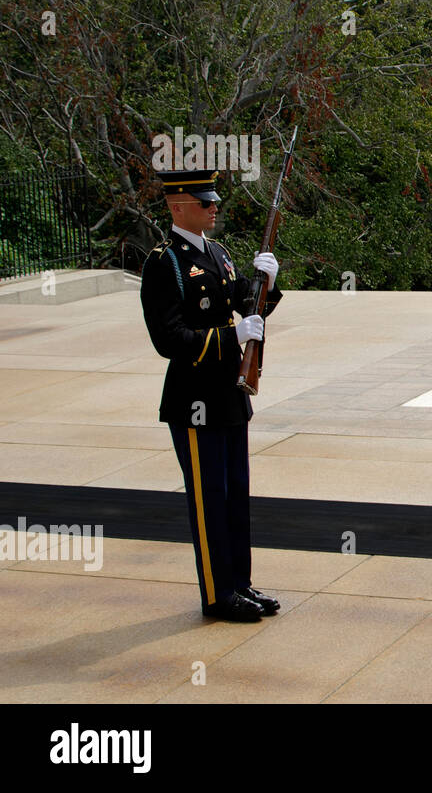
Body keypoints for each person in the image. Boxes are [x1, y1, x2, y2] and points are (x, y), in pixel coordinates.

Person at [140, 169, 283, 622]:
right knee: (209, 500)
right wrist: (231, 335)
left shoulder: (218, 254)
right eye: (205, 203)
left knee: (235, 494)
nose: (214, 207)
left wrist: (266, 284)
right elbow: (169, 339)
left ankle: (239, 584)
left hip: (229, 394)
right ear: (177, 206)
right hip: (194, 399)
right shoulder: (164, 263)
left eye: (214, 201)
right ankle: (218, 595)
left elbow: (245, 304)